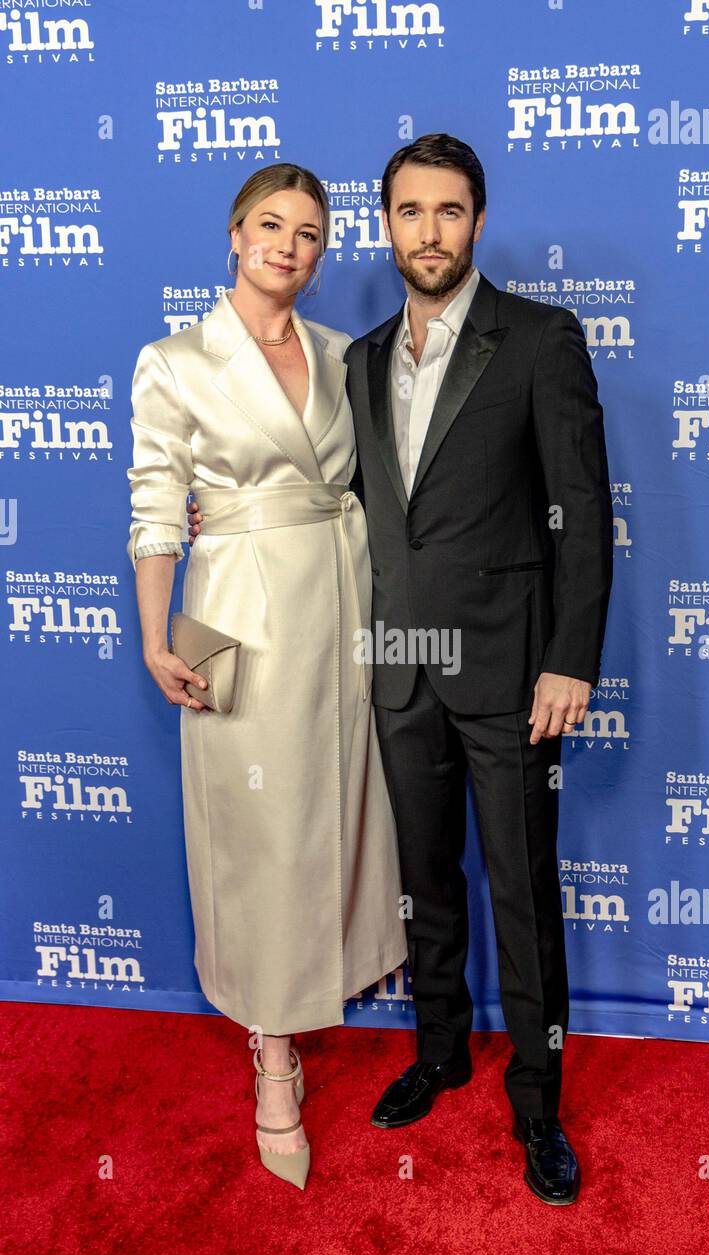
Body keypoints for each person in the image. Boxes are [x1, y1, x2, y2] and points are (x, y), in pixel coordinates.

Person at [187, 134, 614, 1206]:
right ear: (387, 227)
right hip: (396, 667)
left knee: (521, 888)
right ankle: (437, 1050)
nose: (431, 232)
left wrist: (570, 660)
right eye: (410, 213)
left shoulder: (540, 338)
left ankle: (537, 1101)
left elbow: (587, 519)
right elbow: (330, 492)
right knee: (425, 886)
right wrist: (221, 517)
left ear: (479, 219)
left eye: (451, 211)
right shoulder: (359, 358)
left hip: (513, 669)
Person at [126, 164, 407, 1193]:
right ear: (235, 235)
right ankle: (273, 1053)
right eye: (272, 225)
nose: (291, 245)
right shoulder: (176, 360)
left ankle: (325, 983)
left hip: (344, 603)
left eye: (311, 233)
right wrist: (156, 638)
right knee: (254, 830)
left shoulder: (345, 356)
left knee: (337, 810)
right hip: (231, 611)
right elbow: (158, 508)